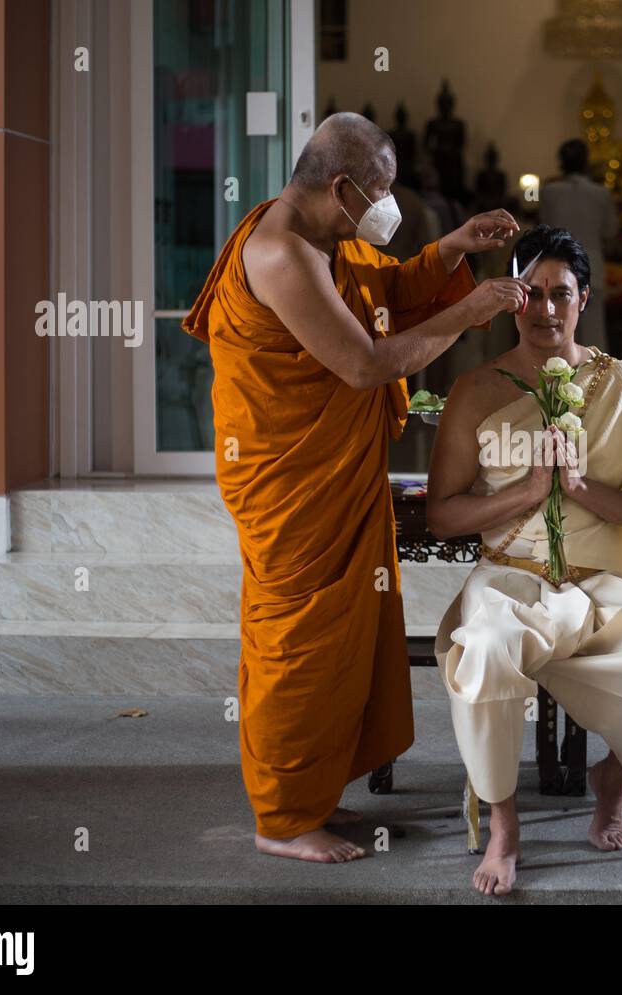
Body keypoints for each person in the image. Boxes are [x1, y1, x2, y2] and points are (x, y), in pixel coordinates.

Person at [182, 111, 530, 865]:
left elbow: (389, 291)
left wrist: (453, 247)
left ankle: (314, 790)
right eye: (379, 191)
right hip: (291, 486)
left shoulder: (324, 238)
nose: (387, 207)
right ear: (339, 187)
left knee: (341, 641)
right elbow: (368, 361)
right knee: (300, 641)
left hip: (335, 476)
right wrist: (470, 311)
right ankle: (280, 817)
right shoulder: (279, 253)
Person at [426, 225, 622, 896]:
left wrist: (583, 490)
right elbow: (442, 513)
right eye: (532, 293)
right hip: (509, 579)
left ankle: (612, 774)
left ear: (585, 298)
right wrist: (528, 492)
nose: (546, 310)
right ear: (509, 299)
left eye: (562, 294)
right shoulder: (476, 390)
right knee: (486, 645)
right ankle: (503, 824)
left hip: (601, 586)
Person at [538, 140, 618, 353]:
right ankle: (598, 381)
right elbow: (611, 231)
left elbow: (544, 228)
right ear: (586, 162)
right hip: (591, 265)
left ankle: (558, 380)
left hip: (558, 266)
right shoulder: (601, 193)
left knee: (559, 326)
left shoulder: (548, 191)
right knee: (593, 330)